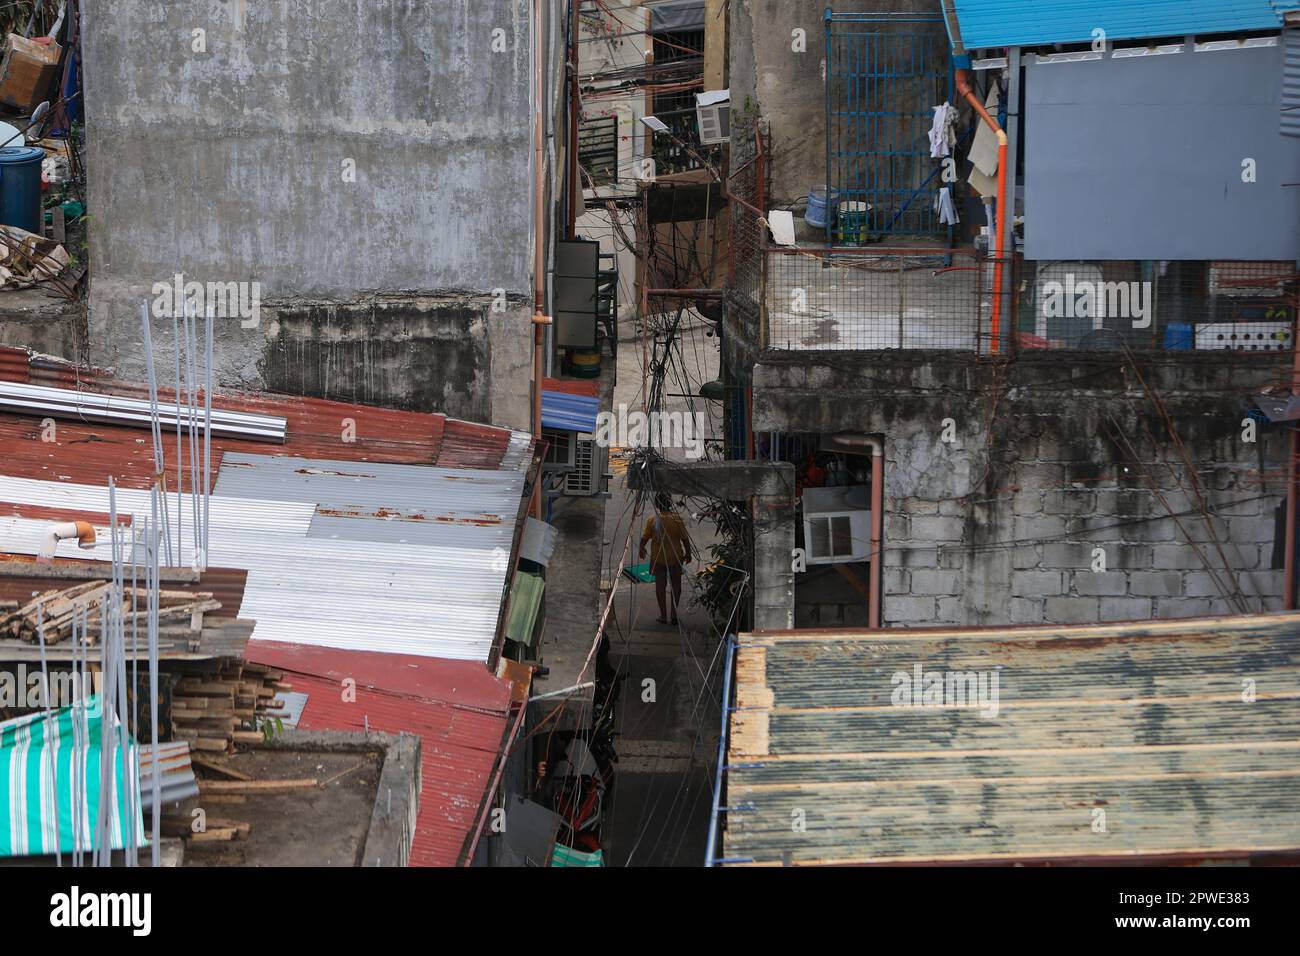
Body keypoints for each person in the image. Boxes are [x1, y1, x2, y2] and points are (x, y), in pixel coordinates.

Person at [639, 493, 692, 625]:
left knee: (660, 586)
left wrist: (642, 549)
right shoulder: (677, 519)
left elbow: (644, 539)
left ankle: (663, 616)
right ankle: (673, 615)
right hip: (675, 558)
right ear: (670, 503)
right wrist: (688, 553)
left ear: (657, 504)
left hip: (659, 558)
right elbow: (685, 539)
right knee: (676, 585)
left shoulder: (652, 520)